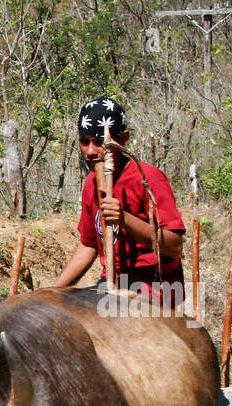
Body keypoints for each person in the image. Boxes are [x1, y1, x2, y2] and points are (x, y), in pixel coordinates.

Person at [51, 98, 186, 306]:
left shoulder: (149, 179)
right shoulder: (91, 183)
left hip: (156, 288)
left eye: (99, 142)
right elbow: (88, 245)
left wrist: (125, 219)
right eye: (84, 141)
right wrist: (54, 292)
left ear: (123, 139)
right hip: (111, 284)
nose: (90, 150)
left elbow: (175, 247)